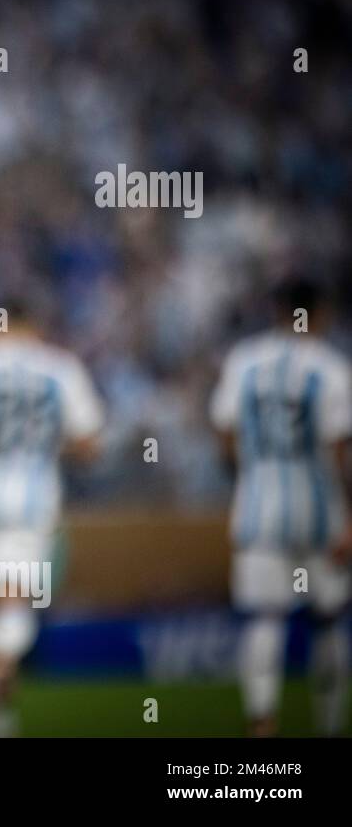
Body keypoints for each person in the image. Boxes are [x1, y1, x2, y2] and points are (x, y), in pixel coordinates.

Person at [0, 297, 103, 737]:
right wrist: (46, 445)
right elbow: (89, 444)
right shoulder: (61, 368)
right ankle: (1, 660)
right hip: (31, 494)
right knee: (15, 594)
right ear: (35, 323)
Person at [211, 277, 351, 737]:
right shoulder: (331, 369)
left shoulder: (244, 361)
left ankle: (261, 723)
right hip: (320, 512)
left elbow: (226, 436)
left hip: (258, 508)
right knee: (328, 620)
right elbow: (340, 451)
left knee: (263, 617)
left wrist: (251, 472)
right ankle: (329, 725)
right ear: (321, 312)